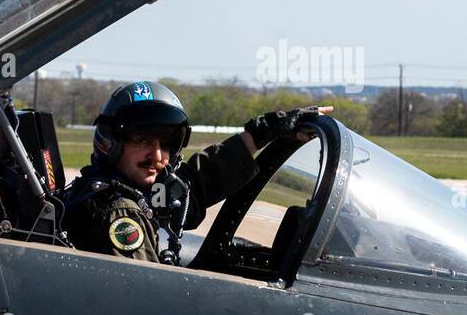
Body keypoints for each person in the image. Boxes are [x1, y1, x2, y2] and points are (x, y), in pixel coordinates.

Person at [63, 80, 324, 263]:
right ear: (112, 142)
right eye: (142, 140)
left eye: (166, 144)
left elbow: (193, 187)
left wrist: (261, 133)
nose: (157, 155)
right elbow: (143, 301)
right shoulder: (121, 214)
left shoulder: (115, 190)